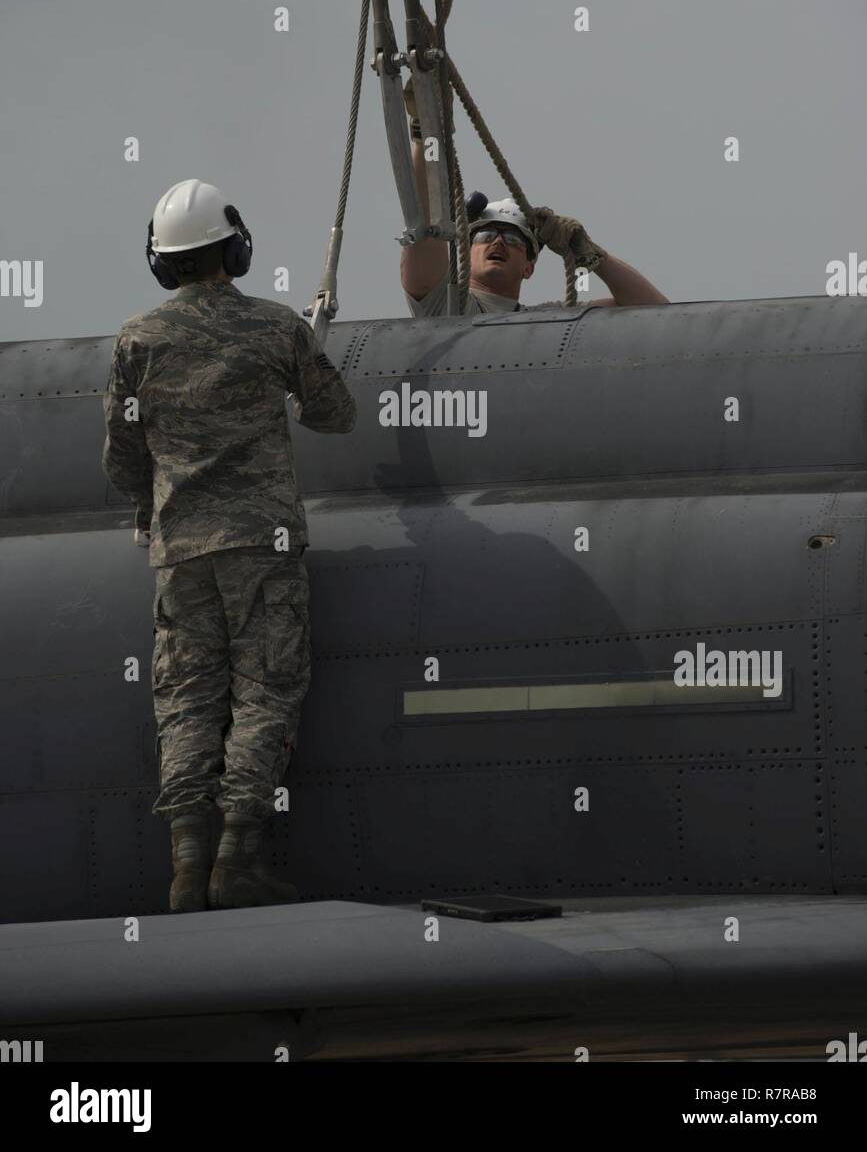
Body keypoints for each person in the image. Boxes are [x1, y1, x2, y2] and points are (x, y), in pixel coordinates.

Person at [102, 178, 356, 913]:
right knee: (265, 693)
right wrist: (296, 367)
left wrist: (153, 507)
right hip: (261, 546)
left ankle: (185, 866)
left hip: (178, 554)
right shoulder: (275, 328)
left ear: (161, 261)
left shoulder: (136, 339)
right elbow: (335, 416)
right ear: (234, 246)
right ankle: (238, 858)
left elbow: (121, 457)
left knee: (185, 702)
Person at [401, 90, 669, 315]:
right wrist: (426, 132)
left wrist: (590, 254)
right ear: (466, 255)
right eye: (486, 234)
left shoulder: (548, 323)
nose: (498, 242)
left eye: (514, 240)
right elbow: (425, 229)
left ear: (528, 268)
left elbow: (655, 313)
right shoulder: (445, 308)